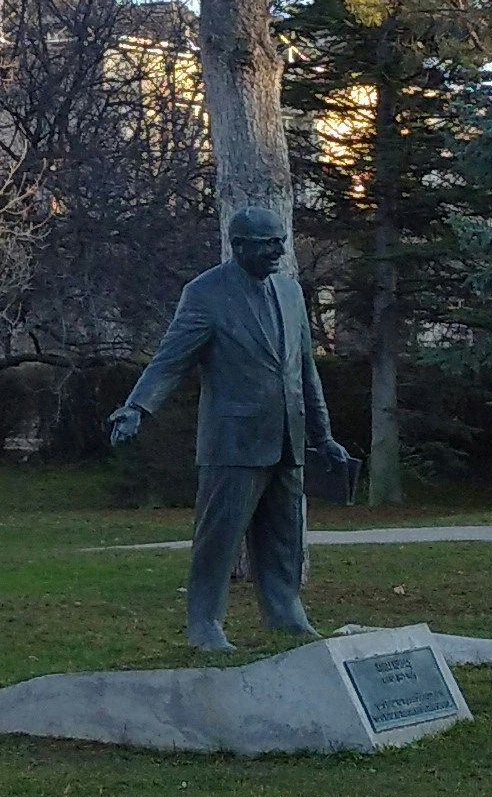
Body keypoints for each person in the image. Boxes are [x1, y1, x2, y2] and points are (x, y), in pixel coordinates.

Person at [107, 205, 357, 649]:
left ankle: (285, 614)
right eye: (268, 243)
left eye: (281, 241)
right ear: (239, 245)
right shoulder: (205, 293)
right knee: (218, 540)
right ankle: (205, 624)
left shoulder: (290, 293)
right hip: (233, 442)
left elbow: (304, 372)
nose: (279, 250)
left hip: (288, 439)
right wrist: (136, 408)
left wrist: (324, 437)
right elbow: (171, 360)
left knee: (284, 538)